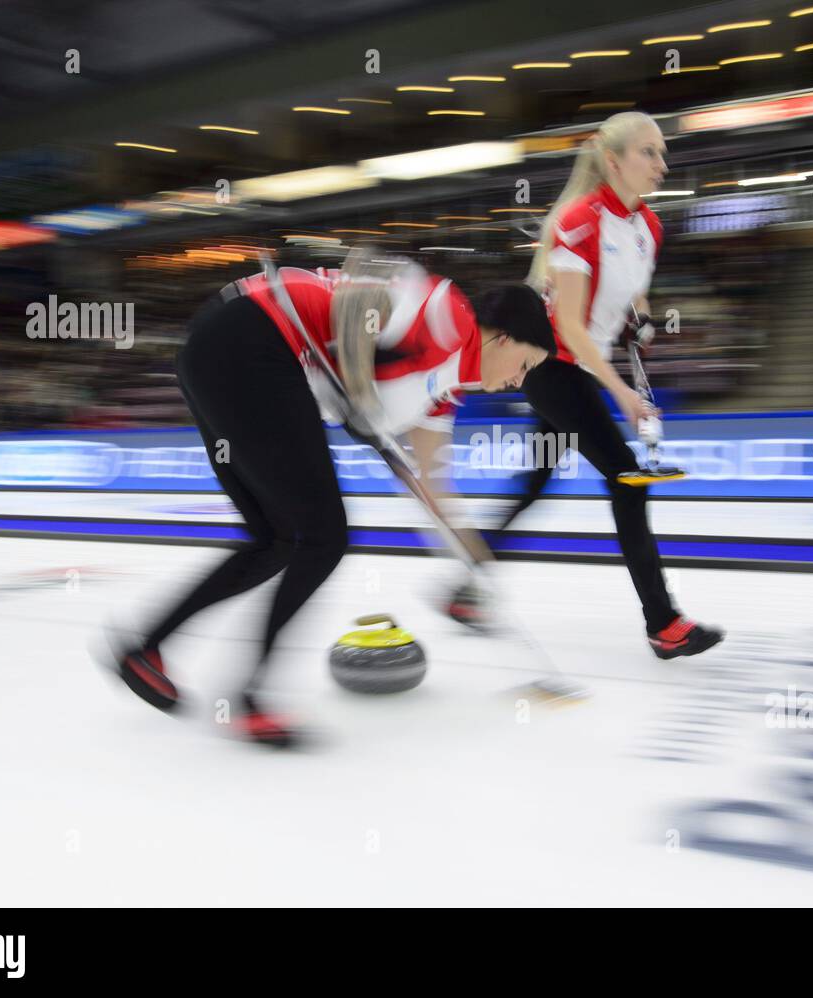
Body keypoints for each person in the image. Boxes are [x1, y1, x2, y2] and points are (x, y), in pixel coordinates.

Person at [110, 261, 554, 747]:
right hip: (249, 338)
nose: (518, 382)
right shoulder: (449, 314)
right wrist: (360, 393)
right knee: (322, 538)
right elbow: (364, 296)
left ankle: (146, 650)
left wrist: (473, 559)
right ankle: (250, 697)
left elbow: (433, 486)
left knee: (277, 540)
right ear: (505, 339)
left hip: (221, 352)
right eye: (526, 366)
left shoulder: (446, 392)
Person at [447, 111, 723, 660]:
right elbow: (570, 325)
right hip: (552, 368)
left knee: (533, 484)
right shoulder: (579, 221)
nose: (660, 164)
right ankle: (662, 624)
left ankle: (464, 594)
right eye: (649, 152)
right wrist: (622, 393)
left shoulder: (650, 226)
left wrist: (640, 319)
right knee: (628, 480)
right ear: (614, 160)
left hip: (584, 367)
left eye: (663, 153)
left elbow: (633, 294)